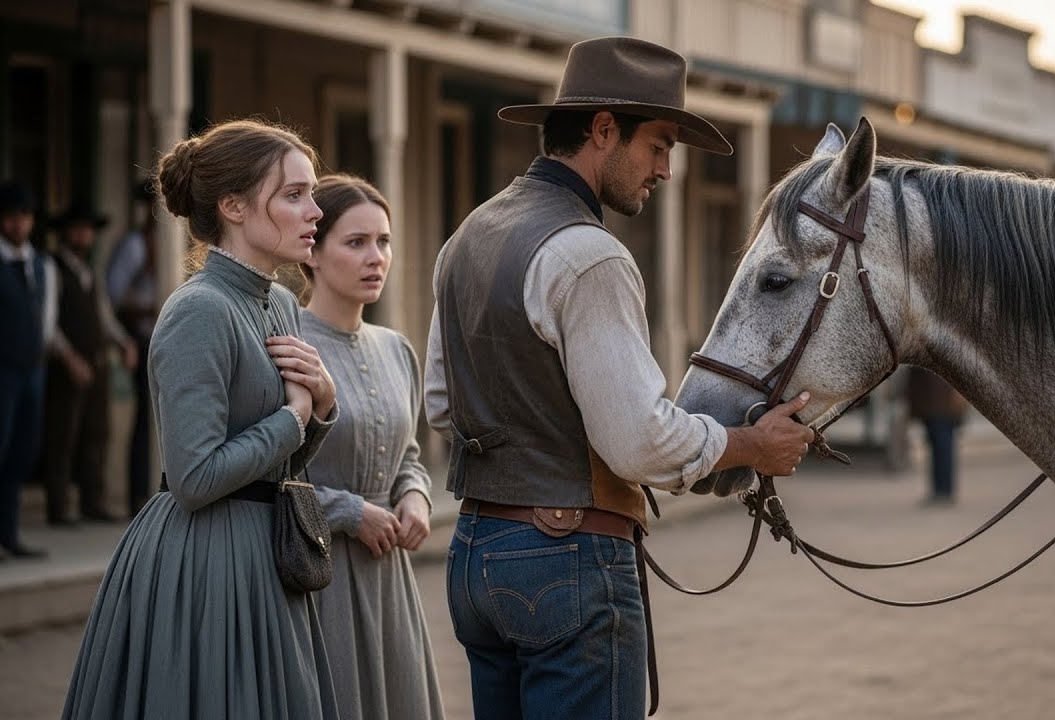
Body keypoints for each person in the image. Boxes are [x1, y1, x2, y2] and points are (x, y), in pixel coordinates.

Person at [425, 36, 814, 719]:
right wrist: (750, 446)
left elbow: (438, 404)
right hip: (566, 558)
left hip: (474, 551)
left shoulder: (469, 235)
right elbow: (641, 443)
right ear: (603, 130)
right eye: (658, 146)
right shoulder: (590, 255)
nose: (666, 169)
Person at [61, 118, 342, 719]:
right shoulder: (199, 310)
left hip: (270, 559)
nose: (315, 210)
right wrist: (293, 420)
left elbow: (282, 467)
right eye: (294, 195)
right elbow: (192, 478)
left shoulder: (283, 303)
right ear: (234, 206)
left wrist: (320, 405)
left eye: (311, 193)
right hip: (206, 566)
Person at [298, 173, 445, 720]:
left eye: (383, 242)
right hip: (316, 574)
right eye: (355, 242)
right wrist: (347, 511)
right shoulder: (288, 344)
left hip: (390, 577)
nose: (375, 257)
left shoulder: (396, 348)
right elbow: (271, 471)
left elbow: (407, 452)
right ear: (311, 253)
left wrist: (415, 497)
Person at [40, 199, 137, 525]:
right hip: (66, 365)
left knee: (97, 433)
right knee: (62, 436)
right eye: (77, 230)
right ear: (66, 233)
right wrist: (69, 358)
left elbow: (103, 316)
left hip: (97, 363)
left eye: (87, 230)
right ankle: (59, 507)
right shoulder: (52, 268)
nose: (83, 236)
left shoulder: (91, 272)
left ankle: (92, 502)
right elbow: (48, 323)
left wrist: (123, 341)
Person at [0, 180, 53, 559]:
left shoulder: (40, 264)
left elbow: (46, 319)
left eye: (24, 217)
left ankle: (9, 534)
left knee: (22, 453)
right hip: (3, 371)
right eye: (11, 217)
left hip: (33, 371)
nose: (18, 225)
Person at [105, 181, 160, 515]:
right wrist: (151, 308)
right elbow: (114, 298)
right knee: (143, 422)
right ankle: (137, 495)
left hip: (163, 339)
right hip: (142, 339)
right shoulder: (135, 246)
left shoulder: (170, 243)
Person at [905, 366, 969, 506]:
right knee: (938, 446)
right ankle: (940, 490)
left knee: (942, 447)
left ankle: (943, 491)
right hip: (933, 403)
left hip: (940, 404)